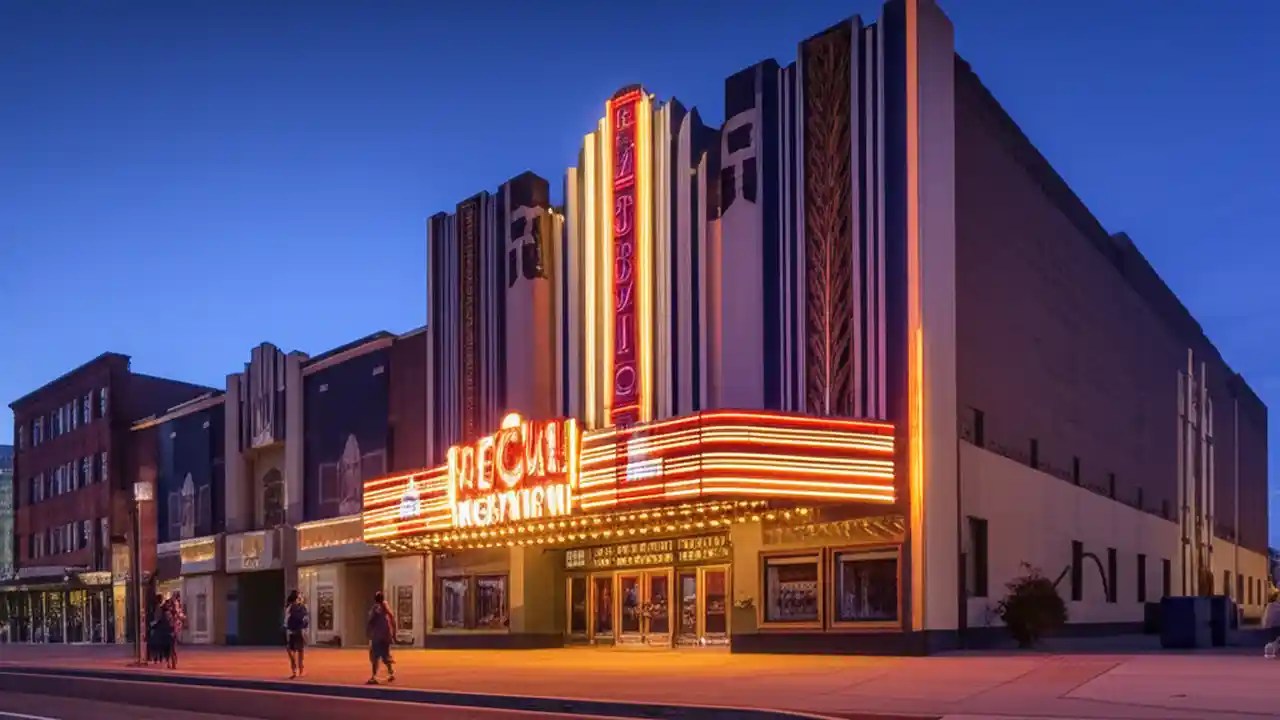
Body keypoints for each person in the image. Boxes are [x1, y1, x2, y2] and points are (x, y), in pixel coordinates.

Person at [365, 591, 396, 685]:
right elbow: (392, 617)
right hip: (386, 635)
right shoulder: (385, 606)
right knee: (385, 655)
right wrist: (393, 631)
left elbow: (371, 620)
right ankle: (391, 673)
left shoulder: (376, 608)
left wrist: (368, 631)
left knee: (375, 656)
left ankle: (374, 676)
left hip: (378, 636)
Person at [284, 590, 309, 679]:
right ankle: (301, 670)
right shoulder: (302, 607)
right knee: (300, 651)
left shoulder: (290, 607)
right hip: (300, 630)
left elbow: (286, 620)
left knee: (292, 651)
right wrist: (305, 630)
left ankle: (294, 669)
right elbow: (306, 620)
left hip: (292, 631)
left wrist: (287, 628)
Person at [167, 592, 187, 669]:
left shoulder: (173, 608)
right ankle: (171, 661)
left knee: (172, 645)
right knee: (172, 645)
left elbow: (179, 614)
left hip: (174, 628)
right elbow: (179, 615)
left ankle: (171, 661)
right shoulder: (172, 610)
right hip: (172, 628)